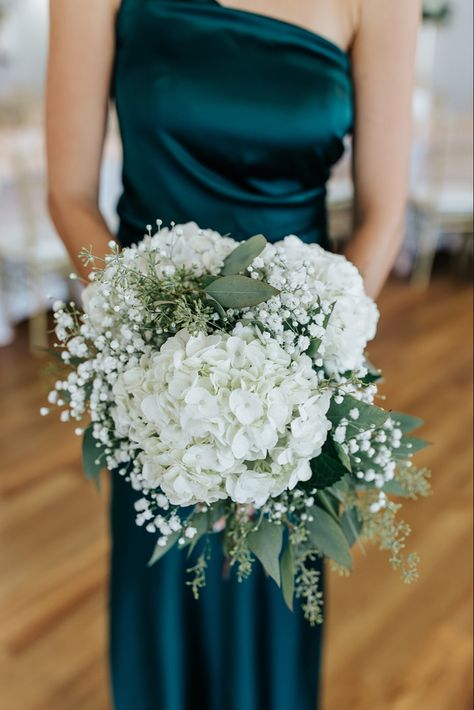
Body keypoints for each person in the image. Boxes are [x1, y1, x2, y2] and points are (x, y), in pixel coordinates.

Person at [46, 1, 420, 708]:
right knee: (163, 619)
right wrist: (154, 353)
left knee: (271, 624)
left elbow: (384, 213)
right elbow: (68, 195)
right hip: (154, 384)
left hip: (297, 383)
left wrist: (309, 365)